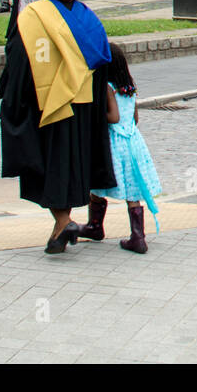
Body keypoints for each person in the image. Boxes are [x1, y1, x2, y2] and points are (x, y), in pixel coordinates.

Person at [0, 0, 119, 252]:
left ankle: (63, 222)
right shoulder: (88, 16)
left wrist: (13, 97)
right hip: (84, 105)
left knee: (50, 165)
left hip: (50, 102)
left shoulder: (36, 17)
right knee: (70, 163)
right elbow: (102, 61)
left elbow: (20, 60)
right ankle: (60, 228)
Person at [77, 43, 162, 252]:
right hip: (133, 141)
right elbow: (134, 118)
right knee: (133, 189)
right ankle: (138, 236)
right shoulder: (129, 87)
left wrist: (95, 113)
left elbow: (114, 117)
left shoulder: (108, 87)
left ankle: (94, 225)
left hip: (114, 143)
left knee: (98, 182)